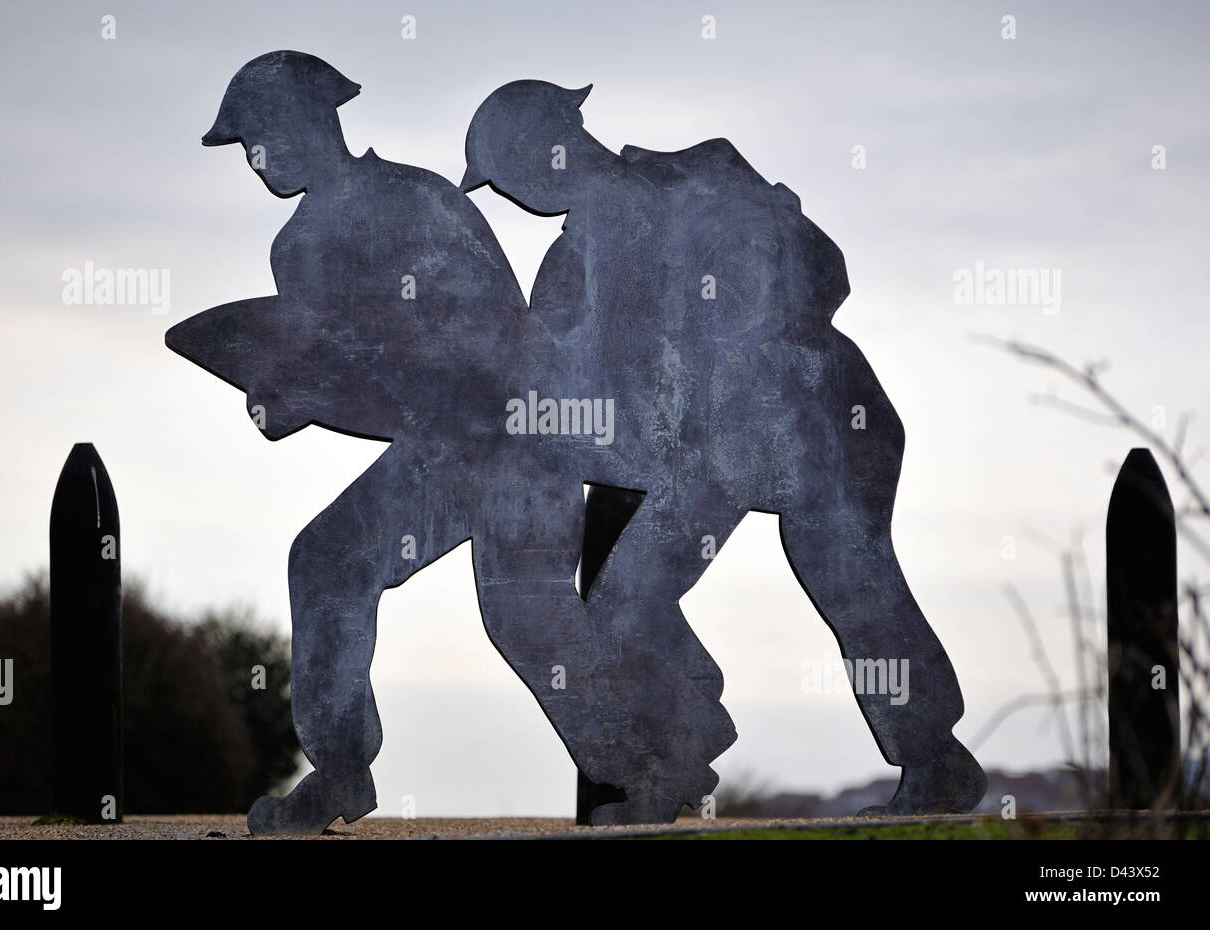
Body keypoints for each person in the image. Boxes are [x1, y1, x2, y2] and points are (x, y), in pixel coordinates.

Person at [168, 52, 734, 832]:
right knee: (329, 562)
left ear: (314, 119)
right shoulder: (292, 249)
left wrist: (374, 353)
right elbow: (333, 373)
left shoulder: (417, 198)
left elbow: (498, 328)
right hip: (435, 450)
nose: (256, 157)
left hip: (513, 436)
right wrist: (284, 396)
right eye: (245, 146)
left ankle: (652, 766)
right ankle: (338, 774)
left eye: (261, 134)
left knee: (526, 616)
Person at [461, 80, 986, 814]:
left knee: (852, 582)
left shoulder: (700, 173)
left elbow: (822, 274)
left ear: (543, 149)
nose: (516, 194)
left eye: (511, 177)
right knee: (626, 600)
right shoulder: (565, 270)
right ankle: (680, 758)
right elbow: (552, 384)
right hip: (708, 457)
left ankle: (934, 759)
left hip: (818, 417)